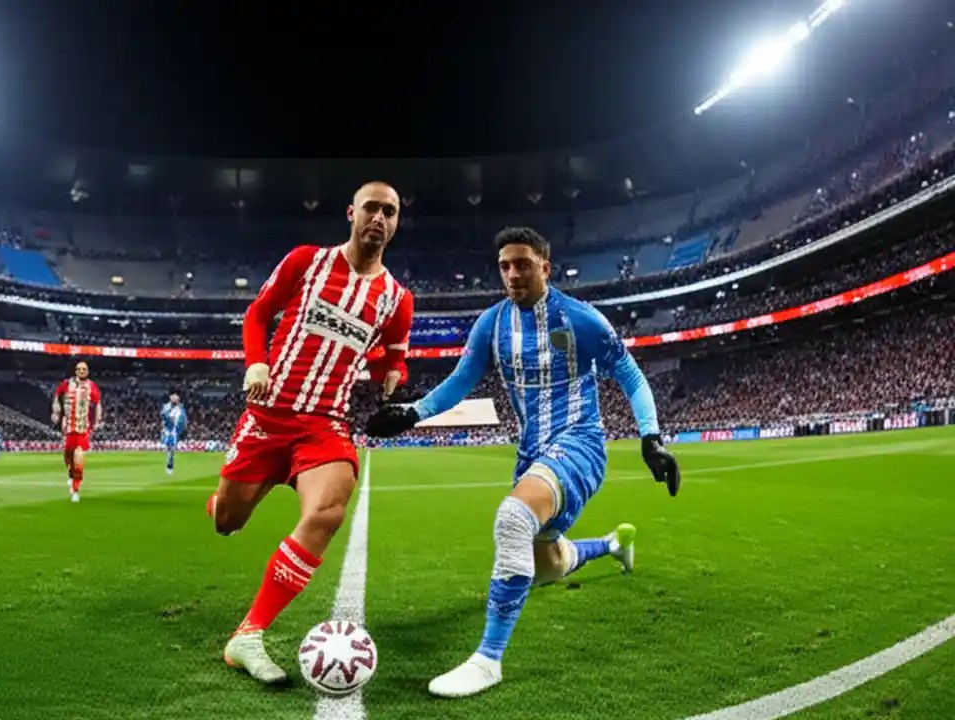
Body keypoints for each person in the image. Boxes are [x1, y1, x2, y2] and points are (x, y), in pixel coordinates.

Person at [366, 226, 681, 698]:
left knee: (512, 519)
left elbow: (631, 375)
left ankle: (488, 660)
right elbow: (460, 380)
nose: (513, 274)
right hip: (533, 452)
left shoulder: (581, 320)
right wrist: (414, 413)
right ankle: (614, 543)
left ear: (545, 268)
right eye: (505, 266)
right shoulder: (492, 324)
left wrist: (650, 437)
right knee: (547, 565)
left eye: (523, 264)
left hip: (580, 443)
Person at [210, 181, 414, 684]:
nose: (379, 218)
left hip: (325, 423)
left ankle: (249, 634)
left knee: (328, 509)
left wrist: (393, 375)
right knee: (228, 522)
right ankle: (223, 502)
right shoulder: (306, 261)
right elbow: (258, 313)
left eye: (390, 211)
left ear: (396, 222)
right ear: (351, 212)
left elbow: (397, 353)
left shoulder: (397, 299)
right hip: (268, 415)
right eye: (371, 207)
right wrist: (256, 364)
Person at [51, 361, 101, 503]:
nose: (81, 371)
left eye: (84, 369)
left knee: (79, 458)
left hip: (83, 428)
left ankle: (75, 488)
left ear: (88, 371)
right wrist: (56, 412)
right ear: (75, 371)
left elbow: (98, 403)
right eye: (79, 369)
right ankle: (70, 472)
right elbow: (57, 396)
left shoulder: (92, 386)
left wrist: (97, 420)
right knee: (68, 456)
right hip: (68, 427)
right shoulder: (67, 384)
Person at [160, 392, 188, 475]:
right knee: (170, 448)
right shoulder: (167, 407)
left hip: (173, 430)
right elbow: (164, 415)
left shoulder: (179, 409)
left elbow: (182, 419)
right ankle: (170, 463)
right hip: (169, 429)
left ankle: (170, 464)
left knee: (171, 448)